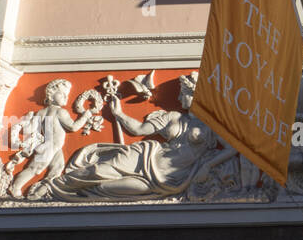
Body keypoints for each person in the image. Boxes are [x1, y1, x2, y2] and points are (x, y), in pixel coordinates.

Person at [32, 72, 227, 200]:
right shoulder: (174, 117)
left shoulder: (214, 125)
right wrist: (119, 114)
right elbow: (139, 130)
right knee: (99, 171)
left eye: (183, 93)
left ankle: (71, 193)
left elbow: (232, 148)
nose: (178, 98)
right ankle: (51, 186)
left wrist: (208, 165)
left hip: (168, 180)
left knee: (106, 189)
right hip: (145, 157)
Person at [7, 78, 95, 198]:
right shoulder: (60, 112)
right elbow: (73, 127)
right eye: (63, 94)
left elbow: (28, 130)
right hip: (49, 147)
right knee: (34, 168)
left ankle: (41, 192)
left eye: (67, 95)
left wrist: (27, 120)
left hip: (54, 147)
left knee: (57, 169)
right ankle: (15, 187)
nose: (66, 97)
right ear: (51, 95)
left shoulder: (41, 112)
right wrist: (85, 116)